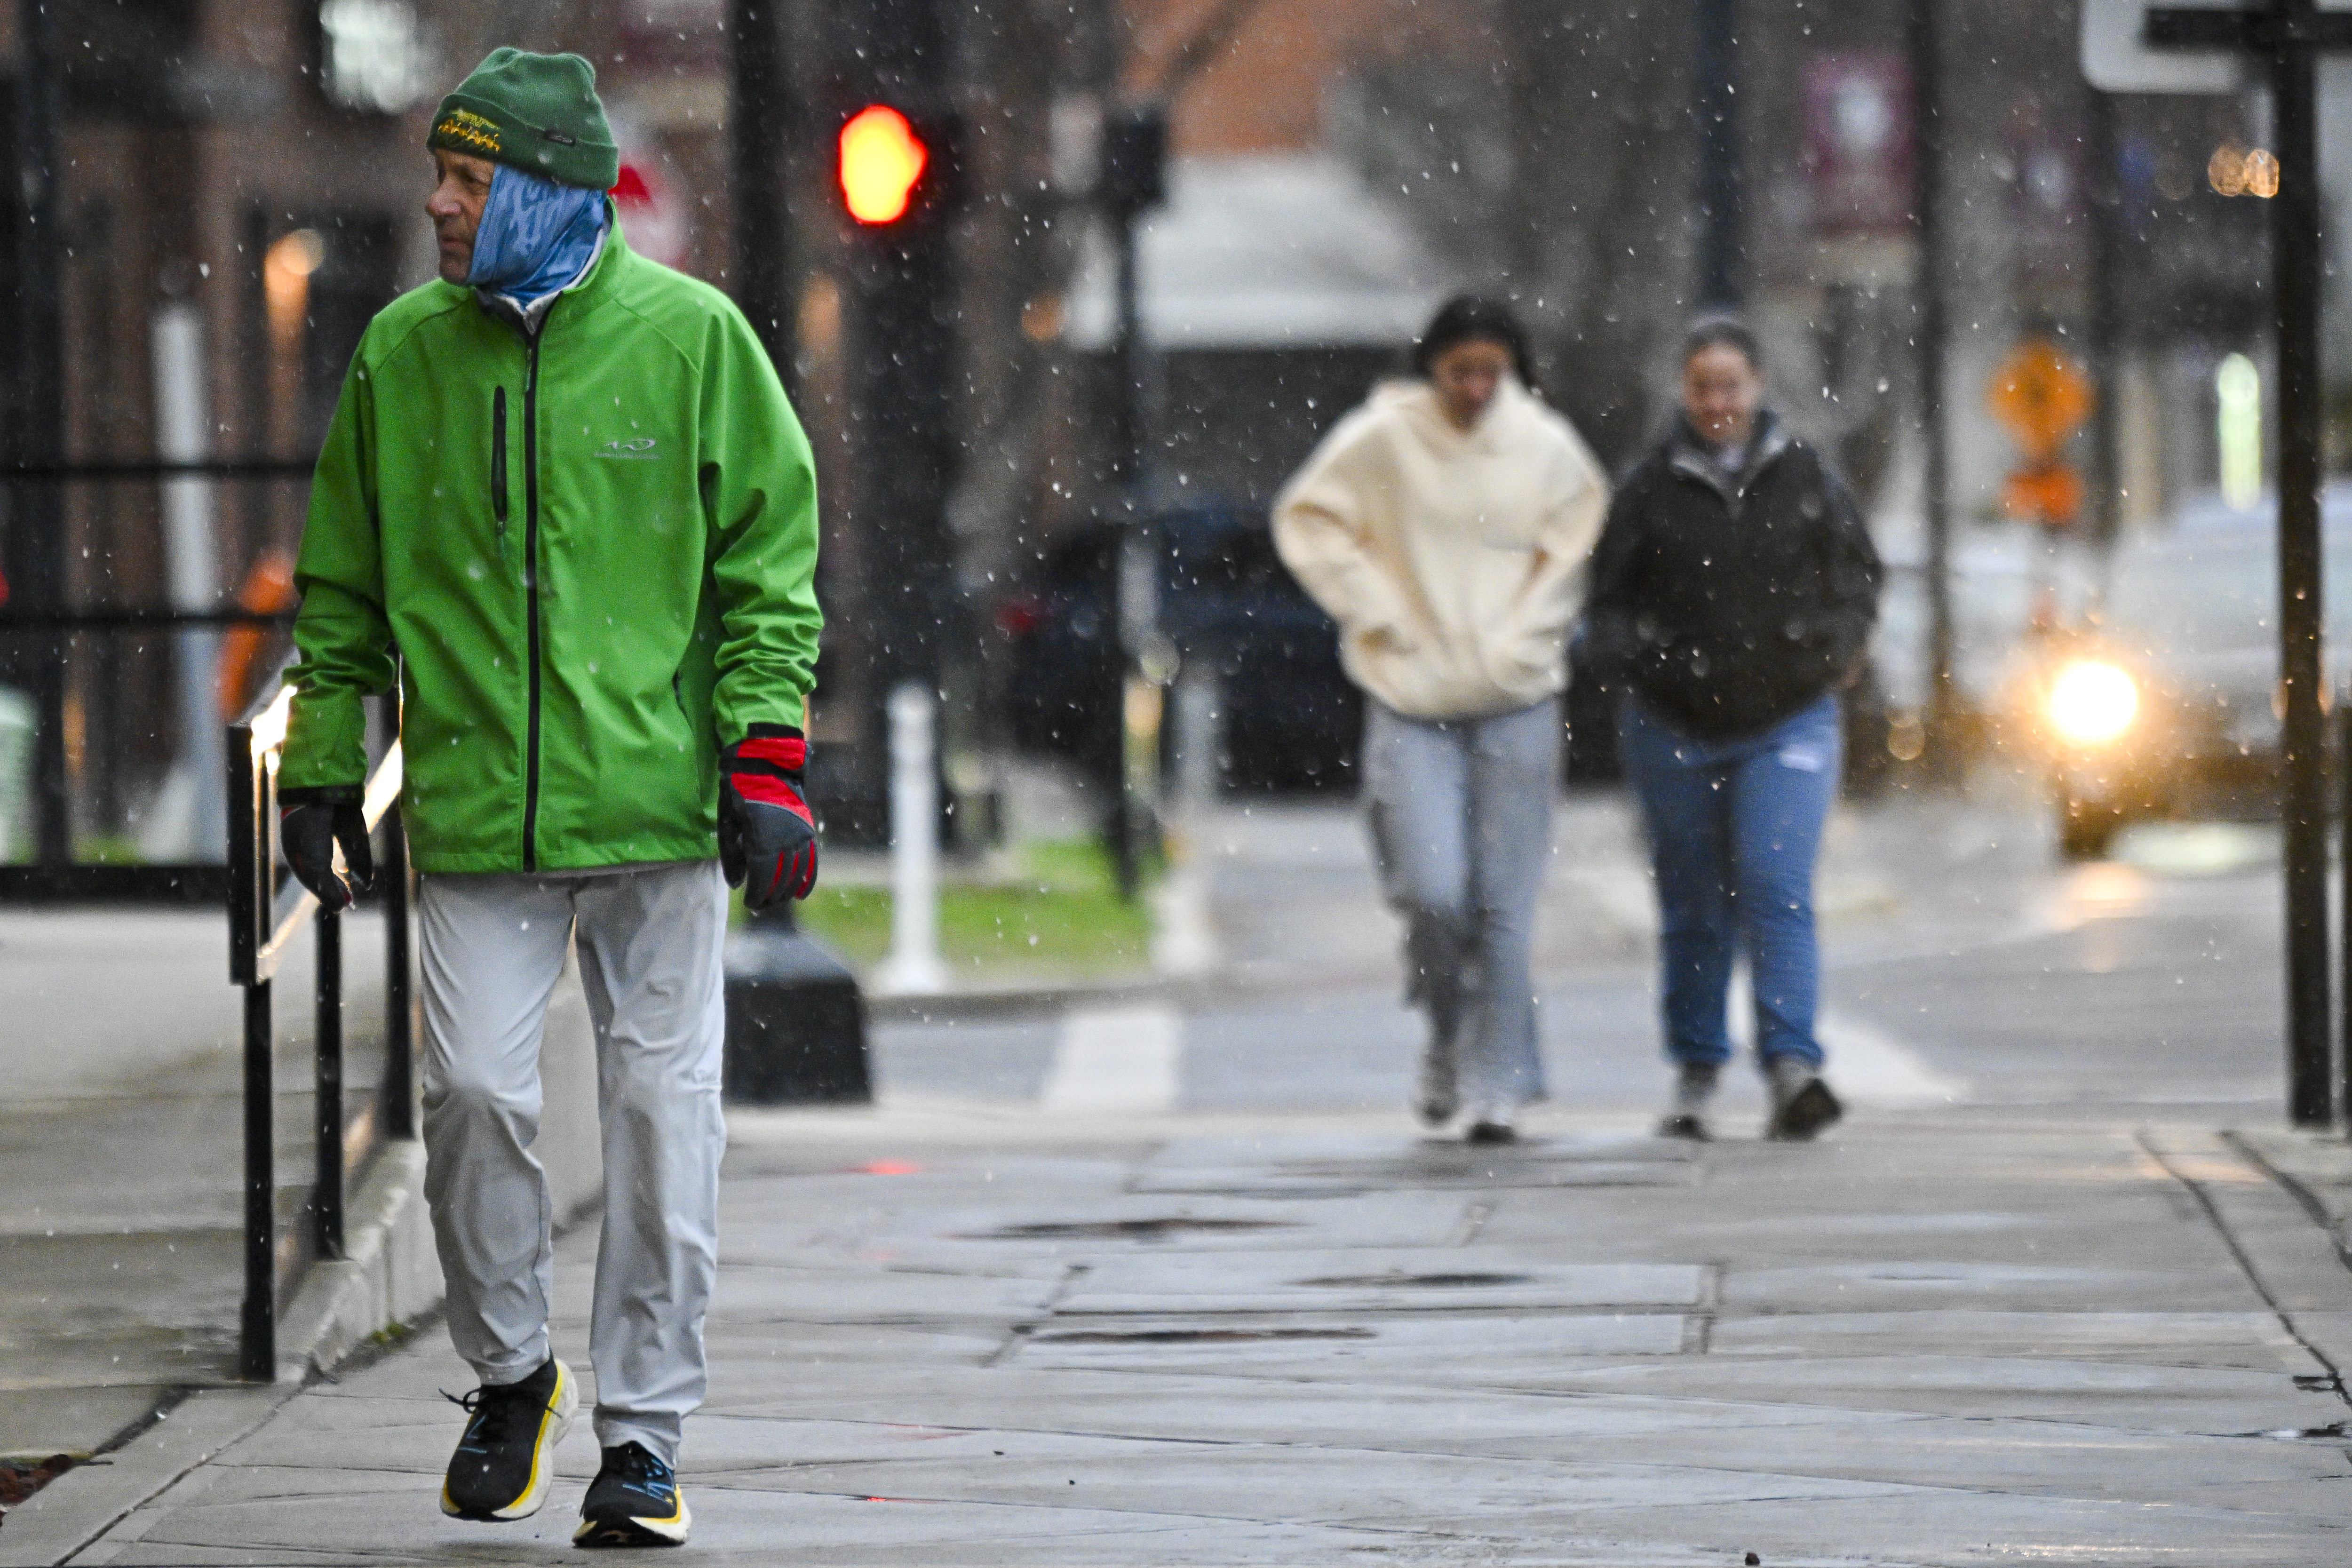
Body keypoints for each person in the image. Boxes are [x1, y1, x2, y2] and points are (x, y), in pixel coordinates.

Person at [274, 49, 822, 1548]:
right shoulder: (401, 355)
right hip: (472, 816)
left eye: (468, 181)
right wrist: (326, 750)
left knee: (659, 1112)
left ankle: (643, 1437)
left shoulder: (694, 340)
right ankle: (513, 1373)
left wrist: (766, 760)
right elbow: (342, 587)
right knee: (472, 1097)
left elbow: (769, 572)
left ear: (551, 193)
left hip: (656, 809)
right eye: (441, 178)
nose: (442, 206)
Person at [1275, 296, 1609, 1143]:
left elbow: (1574, 547)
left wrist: (1523, 640)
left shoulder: (1543, 446)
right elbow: (1308, 519)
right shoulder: (1384, 438)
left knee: (1504, 905)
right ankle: (1444, 1033)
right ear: (1432, 366)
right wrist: (1376, 611)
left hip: (1515, 700)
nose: (1477, 388)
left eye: (1493, 371)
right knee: (1433, 892)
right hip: (1413, 698)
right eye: (1462, 370)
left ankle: (1496, 1081)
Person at [1581, 317, 1882, 1143]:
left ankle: (1793, 1066)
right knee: (1691, 901)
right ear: (1684, 391)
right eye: (1703, 386)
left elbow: (1857, 575)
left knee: (1776, 883)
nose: (1718, 402)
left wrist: (1836, 649)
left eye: (1732, 385)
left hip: (1787, 715)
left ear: (1757, 388)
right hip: (1673, 721)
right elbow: (1605, 600)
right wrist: (1637, 661)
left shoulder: (1807, 477)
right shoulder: (1647, 489)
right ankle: (1696, 1070)